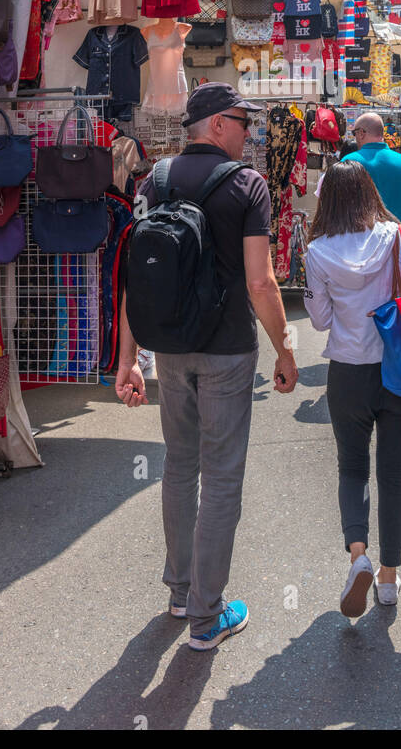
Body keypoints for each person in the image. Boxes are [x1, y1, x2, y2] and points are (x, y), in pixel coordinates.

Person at [115, 83, 299, 649]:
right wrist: (285, 350)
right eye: (244, 121)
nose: (250, 132)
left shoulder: (157, 180)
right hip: (226, 350)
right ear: (217, 124)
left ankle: (180, 592)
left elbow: (135, 276)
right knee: (221, 476)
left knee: (179, 465)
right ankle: (206, 616)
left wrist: (128, 359)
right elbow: (261, 281)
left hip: (169, 348)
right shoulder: (248, 186)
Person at [304, 161, 401, 616]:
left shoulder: (318, 251)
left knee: (352, 468)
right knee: (393, 475)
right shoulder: (398, 237)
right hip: (400, 369)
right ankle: (389, 577)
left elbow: (319, 320)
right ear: (369, 192)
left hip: (348, 371)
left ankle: (358, 555)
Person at [347, 112, 401, 239]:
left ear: (361, 133)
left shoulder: (348, 162)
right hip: (396, 242)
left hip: (359, 244)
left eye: (354, 133)